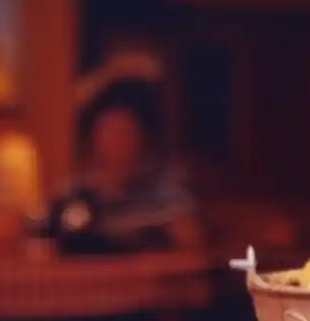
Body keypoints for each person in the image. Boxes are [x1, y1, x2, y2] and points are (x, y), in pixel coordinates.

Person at [48, 78, 202, 253]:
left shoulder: (163, 183)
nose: (116, 141)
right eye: (108, 131)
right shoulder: (75, 188)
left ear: (142, 137)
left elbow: (188, 234)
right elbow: (54, 238)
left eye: (124, 131)